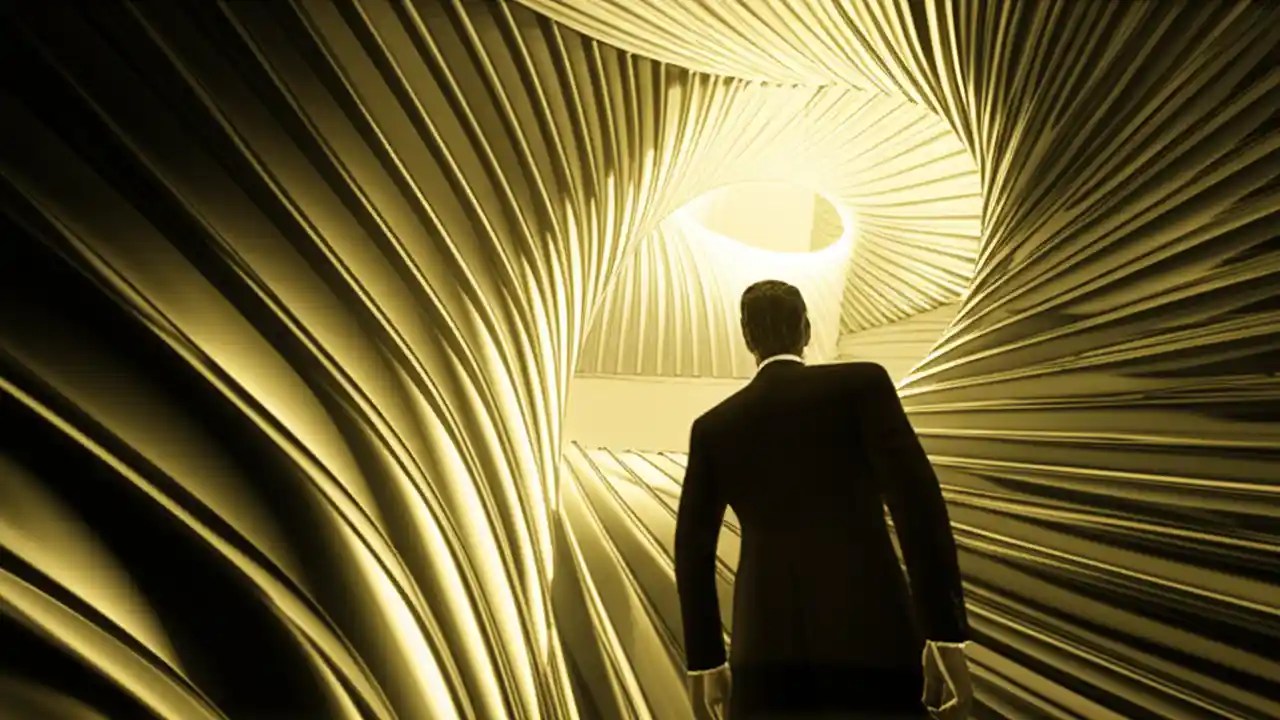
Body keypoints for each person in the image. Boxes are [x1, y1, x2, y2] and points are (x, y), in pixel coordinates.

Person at [675, 280, 974, 719]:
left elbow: (693, 551)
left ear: (747, 337)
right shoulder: (863, 386)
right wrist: (944, 635)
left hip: (765, 650)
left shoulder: (714, 428)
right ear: (807, 329)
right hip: (874, 638)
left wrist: (707, 662)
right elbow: (919, 509)